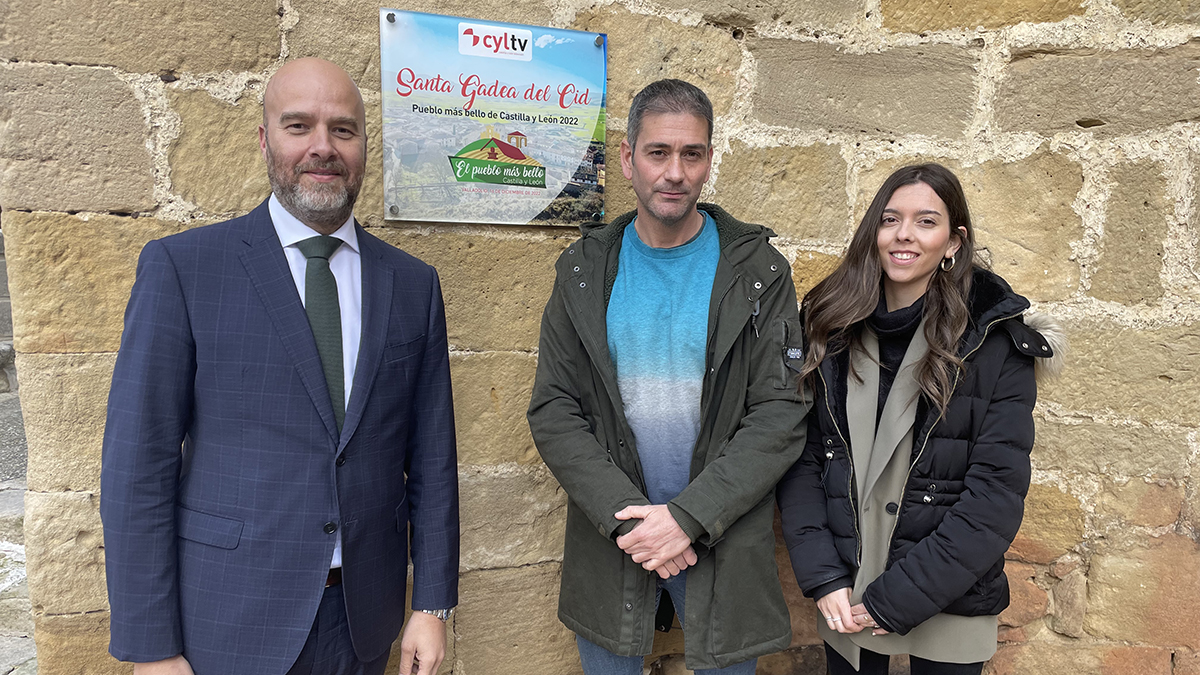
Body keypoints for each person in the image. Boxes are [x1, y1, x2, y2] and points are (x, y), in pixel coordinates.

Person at [100, 58, 458, 675]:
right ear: (265, 140)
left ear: (364, 146)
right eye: (299, 126)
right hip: (228, 621)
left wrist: (431, 604)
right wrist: (152, 647)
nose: (323, 147)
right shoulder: (185, 270)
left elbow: (432, 460)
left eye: (343, 129)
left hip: (364, 623)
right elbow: (139, 467)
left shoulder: (411, 284)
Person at [527, 78, 810, 674]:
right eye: (658, 152)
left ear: (709, 160)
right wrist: (628, 517)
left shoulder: (758, 271)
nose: (674, 172)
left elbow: (781, 413)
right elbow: (555, 408)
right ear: (627, 158)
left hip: (720, 538)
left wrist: (687, 518)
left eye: (691, 154)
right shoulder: (583, 270)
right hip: (615, 538)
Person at [776, 163, 1064, 674]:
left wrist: (900, 598)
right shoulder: (830, 328)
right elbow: (803, 459)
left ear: (954, 242)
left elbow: (995, 497)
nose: (903, 234)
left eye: (926, 221)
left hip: (949, 597)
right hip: (846, 594)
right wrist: (823, 576)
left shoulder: (996, 346)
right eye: (890, 219)